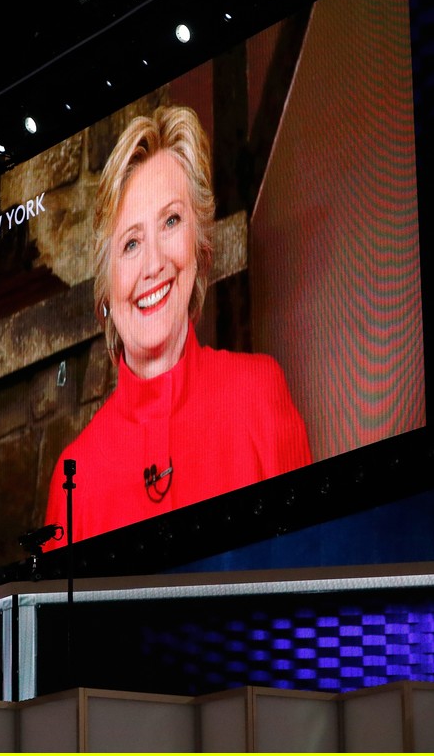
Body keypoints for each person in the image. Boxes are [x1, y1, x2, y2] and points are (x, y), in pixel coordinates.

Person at [43, 105, 311, 548]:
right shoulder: (75, 480)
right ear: (106, 289)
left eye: (171, 221)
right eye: (130, 243)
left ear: (199, 244)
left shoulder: (259, 395)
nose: (154, 264)